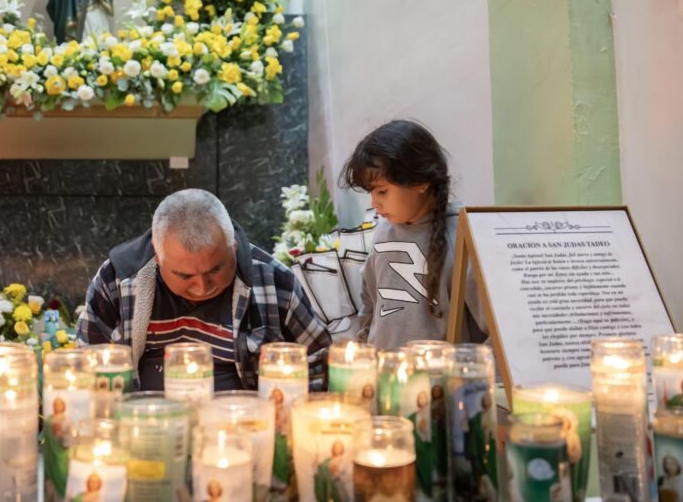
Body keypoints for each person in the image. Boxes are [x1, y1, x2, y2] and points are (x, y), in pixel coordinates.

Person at [77, 189, 332, 391]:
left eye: (215, 269)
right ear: (157, 258)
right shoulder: (117, 281)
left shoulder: (274, 281)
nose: (202, 287)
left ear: (233, 246)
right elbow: (85, 367)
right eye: (184, 275)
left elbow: (319, 361)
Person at [341, 120, 488, 349]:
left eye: (382, 191)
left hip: (442, 383)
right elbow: (370, 304)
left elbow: (496, 332)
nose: (374, 202)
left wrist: (467, 375)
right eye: (371, 192)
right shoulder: (383, 231)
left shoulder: (464, 235)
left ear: (420, 182)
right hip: (383, 380)